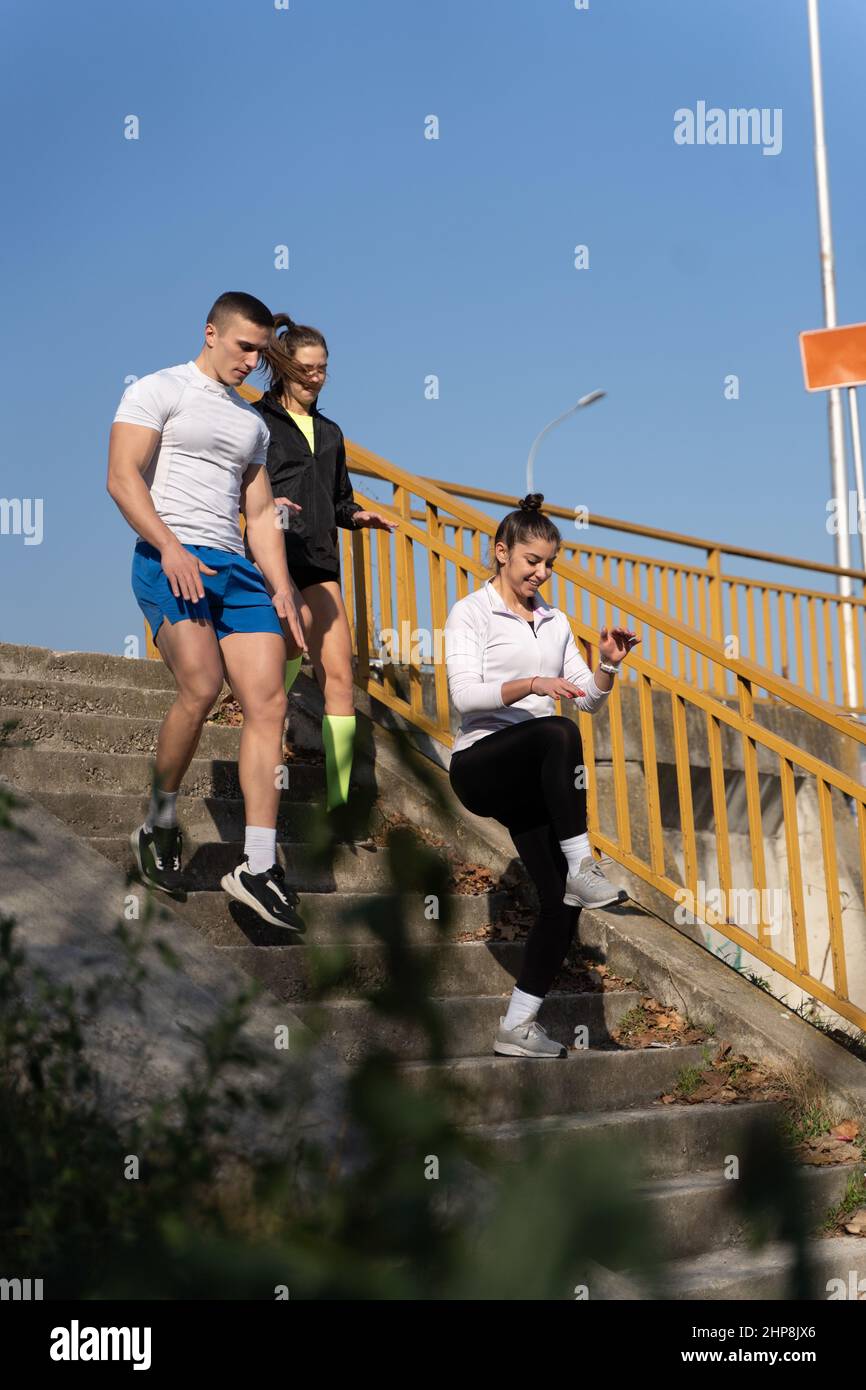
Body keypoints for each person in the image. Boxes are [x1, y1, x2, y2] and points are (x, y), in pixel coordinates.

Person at [107, 291, 308, 928]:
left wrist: (282, 588)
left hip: (237, 571)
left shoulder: (251, 423)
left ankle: (255, 863)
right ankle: (160, 818)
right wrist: (169, 546)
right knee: (200, 684)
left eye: (260, 351)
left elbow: (257, 516)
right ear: (211, 333)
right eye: (244, 347)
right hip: (169, 556)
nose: (252, 361)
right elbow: (122, 476)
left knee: (270, 703)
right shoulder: (157, 390)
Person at [444, 494, 640, 1058]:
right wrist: (531, 685)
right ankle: (583, 862)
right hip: (481, 763)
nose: (541, 572)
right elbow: (464, 696)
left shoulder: (555, 622)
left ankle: (518, 1025)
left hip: (534, 779)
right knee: (555, 732)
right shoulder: (472, 612)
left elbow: (588, 702)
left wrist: (605, 666)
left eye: (549, 562)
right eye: (531, 559)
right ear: (501, 552)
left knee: (561, 903)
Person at [247, 313, 395, 822]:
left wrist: (358, 515)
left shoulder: (331, 432)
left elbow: (337, 499)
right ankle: (262, 751)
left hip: (320, 561)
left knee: (338, 673)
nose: (316, 377)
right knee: (279, 666)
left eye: (324, 369)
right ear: (283, 367)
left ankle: (338, 801)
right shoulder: (257, 423)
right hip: (271, 561)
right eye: (307, 369)